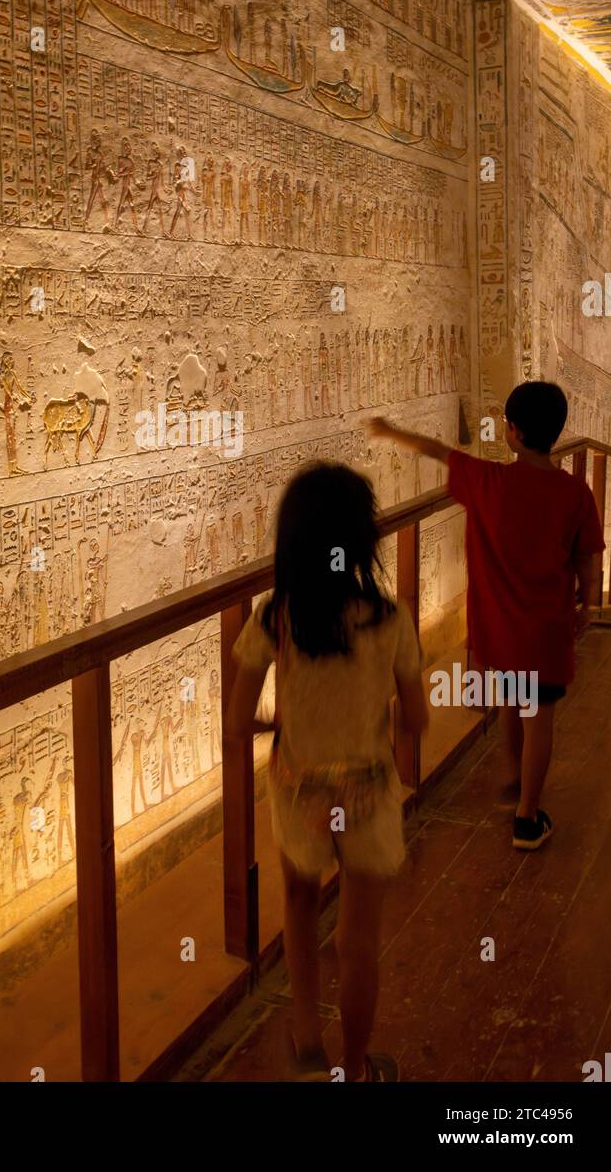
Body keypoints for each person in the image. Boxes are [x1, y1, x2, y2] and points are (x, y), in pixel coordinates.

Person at [224, 463, 427, 1082]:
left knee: (299, 899)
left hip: (297, 786)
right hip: (366, 789)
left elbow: (237, 723)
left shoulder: (274, 617)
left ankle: (307, 1039)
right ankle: (357, 1067)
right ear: (361, 541)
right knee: (358, 938)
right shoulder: (386, 619)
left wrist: (280, 729)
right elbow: (415, 717)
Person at [368, 381, 604, 851]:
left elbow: (437, 451)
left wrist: (390, 431)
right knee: (538, 716)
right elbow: (587, 559)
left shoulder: (488, 482)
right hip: (546, 633)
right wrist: (589, 604)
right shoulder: (574, 493)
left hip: (499, 634)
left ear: (512, 432)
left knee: (513, 704)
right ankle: (527, 815)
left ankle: (516, 784)